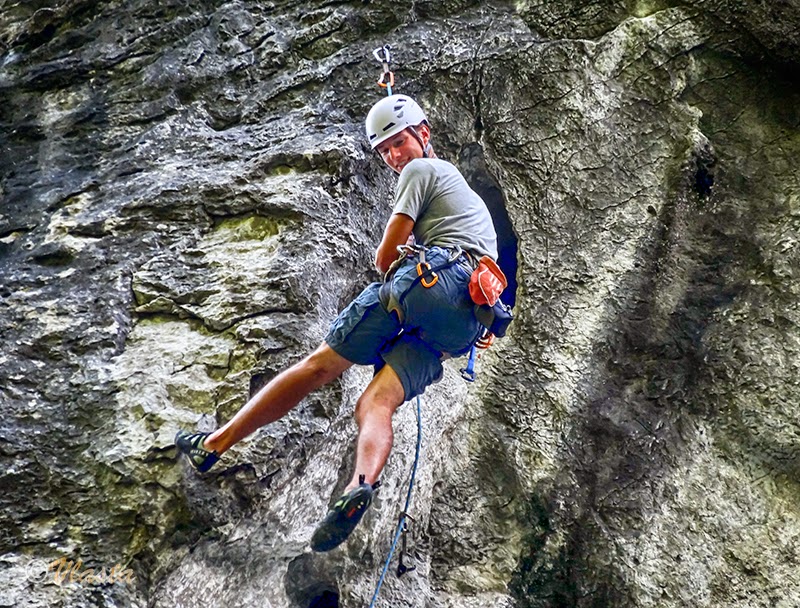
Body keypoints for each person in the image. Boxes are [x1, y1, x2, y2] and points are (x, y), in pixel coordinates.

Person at [175, 94, 499, 552]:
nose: (393, 156)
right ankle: (358, 487)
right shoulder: (471, 205)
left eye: (399, 142)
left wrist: (393, 260)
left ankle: (214, 445)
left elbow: (386, 256)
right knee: (374, 404)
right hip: (464, 326)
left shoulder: (422, 170)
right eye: (384, 150)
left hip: (432, 283)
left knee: (317, 369)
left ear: (424, 133)